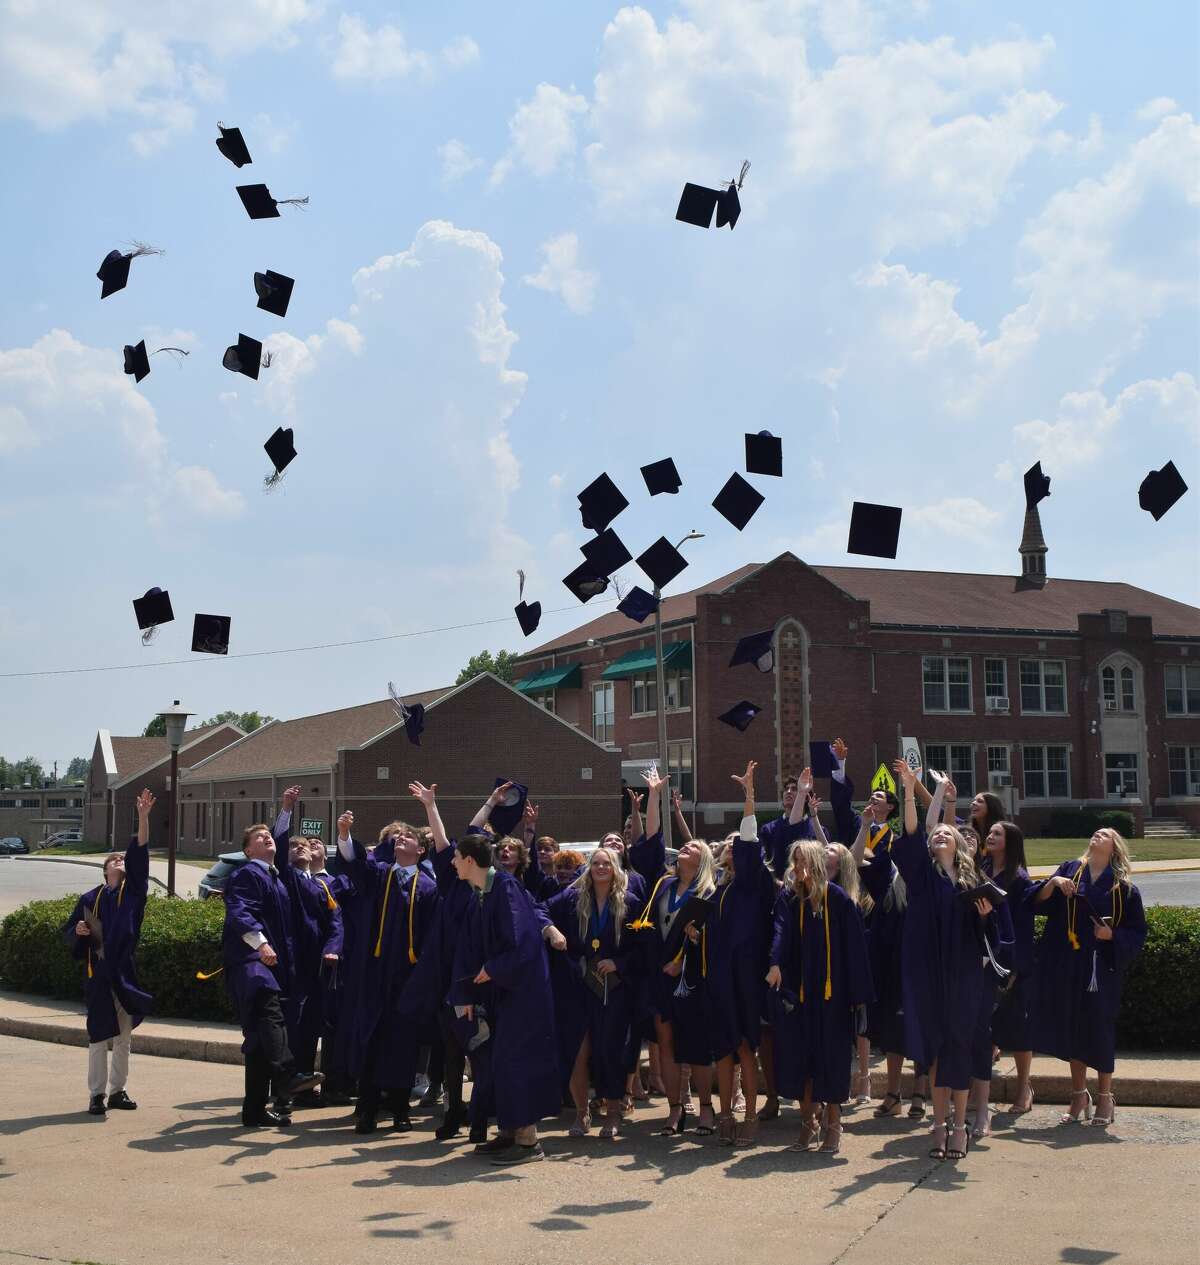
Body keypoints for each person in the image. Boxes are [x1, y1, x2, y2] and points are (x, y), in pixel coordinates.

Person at [892, 759, 999, 1161]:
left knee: (957, 1047)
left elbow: (992, 936)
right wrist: (910, 791)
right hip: (927, 974)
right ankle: (938, 1126)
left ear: (957, 843)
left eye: (944, 833)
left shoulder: (974, 883)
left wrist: (986, 917)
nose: (938, 835)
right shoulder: (921, 875)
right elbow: (911, 830)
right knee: (935, 1049)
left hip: (965, 975)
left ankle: (958, 1126)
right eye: (934, 834)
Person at [452, 830, 562, 1164]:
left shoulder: (505, 887)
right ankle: (508, 1132)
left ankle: (528, 1142)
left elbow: (523, 940)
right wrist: (467, 990)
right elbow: (470, 946)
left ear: (470, 861)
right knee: (500, 1061)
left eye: (457, 858)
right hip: (502, 990)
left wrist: (496, 968)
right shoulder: (479, 892)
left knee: (517, 1060)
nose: (454, 863)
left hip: (523, 992)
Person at [1031, 828, 1147, 1127]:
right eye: (1095, 833)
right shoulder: (1071, 870)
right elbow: (1038, 903)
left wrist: (1112, 935)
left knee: (1099, 1028)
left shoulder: (1123, 888)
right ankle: (1078, 1094)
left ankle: (1106, 1096)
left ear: (1114, 846)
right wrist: (1053, 883)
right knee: (1074, 1027)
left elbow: (1137, 931)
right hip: (1070, 961)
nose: (1097, 835)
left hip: (1101, 967)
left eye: (1105, 834)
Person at [335, 809, 439, 1134]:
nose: (401, 838)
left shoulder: (428, 888)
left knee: (404, 1044)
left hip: (408, 978)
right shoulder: (381, 875)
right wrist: (344, 834)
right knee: (373, 1040)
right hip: (376, 974)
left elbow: (431, 936)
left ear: (421, 850)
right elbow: (356, 865)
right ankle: (366, 1109)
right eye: (399, 836)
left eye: (408, 837)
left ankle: (399, 1108)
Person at [767, 838, 873, 1155]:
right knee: (801, 1059)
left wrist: (857, 996)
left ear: (813, 863)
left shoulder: (838, 900)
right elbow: (780, 933)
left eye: (800, 862)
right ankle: (807, 1121)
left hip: (833, 995)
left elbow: (856, 950)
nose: (795, 868)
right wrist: (774, 963)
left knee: (833, 1059)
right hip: (801, 993)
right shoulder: (790, 899)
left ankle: (834, 1124)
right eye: (794, 861)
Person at [629, 767, 718, 1137]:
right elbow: (650, 840)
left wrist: (685, 956)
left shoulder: (709, 893)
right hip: (660, 976)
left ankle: (706, 1109)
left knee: (695, 1046)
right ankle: (676, 1108)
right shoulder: (663, 884)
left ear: (703, 860)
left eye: (693, 847)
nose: (685, 848)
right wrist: (654, 796)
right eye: (684, 846)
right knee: (664, 1044)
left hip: (692, 978)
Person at [221, 817, 324, 1127]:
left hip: (275, 966)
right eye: (259, 837)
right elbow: (239, 910)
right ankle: (287, 1075)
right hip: (253, 962)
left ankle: (253, 1111)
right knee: (270, 1012)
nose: (266, 838)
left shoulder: (277, 879)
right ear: (247, 850)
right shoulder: (247, 874)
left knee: (257, 1040)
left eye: (269, 835)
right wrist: (261, 943)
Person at [63, 788, 156, 1116]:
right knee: (98, 1036)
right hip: (99, 973)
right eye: (115, 859)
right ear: (106, 870)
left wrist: (143, 817)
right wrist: (79, 931)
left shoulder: (133, 894)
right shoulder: (90, 899)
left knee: (124, 1037)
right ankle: (96, 1094)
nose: (121, 861)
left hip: (124, 973)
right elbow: (71, 932)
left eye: (123, 859)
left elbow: (140, 851)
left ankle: (118, 1090)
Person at [545, 847, 644, 1139]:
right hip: (579, 986)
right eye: (596, 863)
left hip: (614, 989)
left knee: (610, 1049)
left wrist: (620, 963)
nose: (601, 867)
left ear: (615, 868)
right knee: (578, 1051)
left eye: (606, 863)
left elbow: (644, 946)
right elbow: (539, 908)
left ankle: (613, 1112)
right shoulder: (573, 899)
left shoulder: (632, 902)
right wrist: (551, 929)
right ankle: (582, 1113)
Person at [707, 762, 776, 1145]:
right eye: (729, 845)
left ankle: (750, 1114)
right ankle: (725, 1112)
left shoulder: (755, 883)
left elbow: (749, 846)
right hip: (719, 977)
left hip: (745, 976)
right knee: (722, 1047)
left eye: (740, 846)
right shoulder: (719, 889)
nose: (733, 849)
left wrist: (749, 798)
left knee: (745, 1046)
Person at [270, 789, 343, 1110]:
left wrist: (332, 948)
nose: (300, 848)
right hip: (291, 963)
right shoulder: (286, 877)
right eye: (294, 846)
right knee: (291, 1026)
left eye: (305, 845)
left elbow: (335, 921)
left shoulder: (319, 885)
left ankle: (302, 1086)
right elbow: (279, 838)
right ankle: (283, 1088)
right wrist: (286, 809)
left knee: (310, 1025)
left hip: (316, 967)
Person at [981, 820, 1036, 1118]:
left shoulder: (1020, 879)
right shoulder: (982, 870)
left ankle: (1023, 1087)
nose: (990, 836)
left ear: (1010, 841)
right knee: (987, 1029)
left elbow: (1024, 928)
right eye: (989, 833)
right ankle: (981, 1095)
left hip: (1012, 964)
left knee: (1018, 1030)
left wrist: (1015, 966)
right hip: (985, 959)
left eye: (997, 834)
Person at [762, 769, 816, 879]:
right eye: (786, 789)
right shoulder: (769, 829)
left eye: (794, 789)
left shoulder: (817, 830)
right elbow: (764, 861)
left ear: (805, 797)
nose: (789, 791)